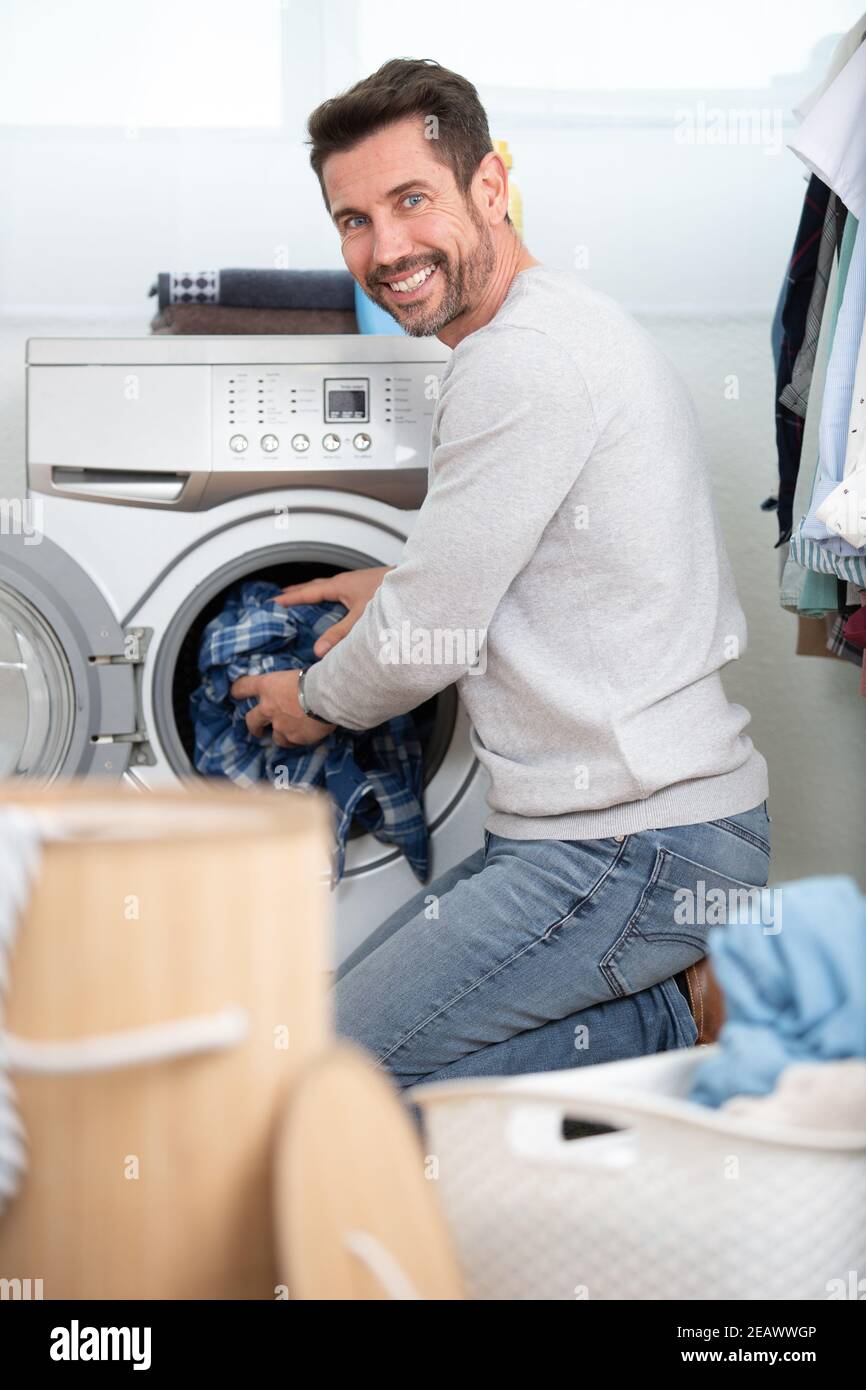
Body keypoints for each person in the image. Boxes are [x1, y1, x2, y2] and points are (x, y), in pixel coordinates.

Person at [230, 58, 771, 1090]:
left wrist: (311, 700)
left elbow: (419, 645)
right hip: (621, 836)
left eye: (410, 200)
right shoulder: (549, 323)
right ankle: (666, 1008)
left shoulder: (519, 360)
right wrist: (397, 588)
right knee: (343, 1057)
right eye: (353, 220)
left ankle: (682, 1015)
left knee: (330, 1086)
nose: (385, 249)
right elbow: (527, 567)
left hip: (633, 847)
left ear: (491, 185)